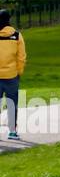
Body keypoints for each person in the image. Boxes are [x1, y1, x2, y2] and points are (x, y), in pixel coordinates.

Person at [0, 9, 26, 141]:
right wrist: (19, 72)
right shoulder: (16, 35)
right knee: (11, 104)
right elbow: (21, 57)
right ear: (9, 19)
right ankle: (12, 132)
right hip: (11, 75)